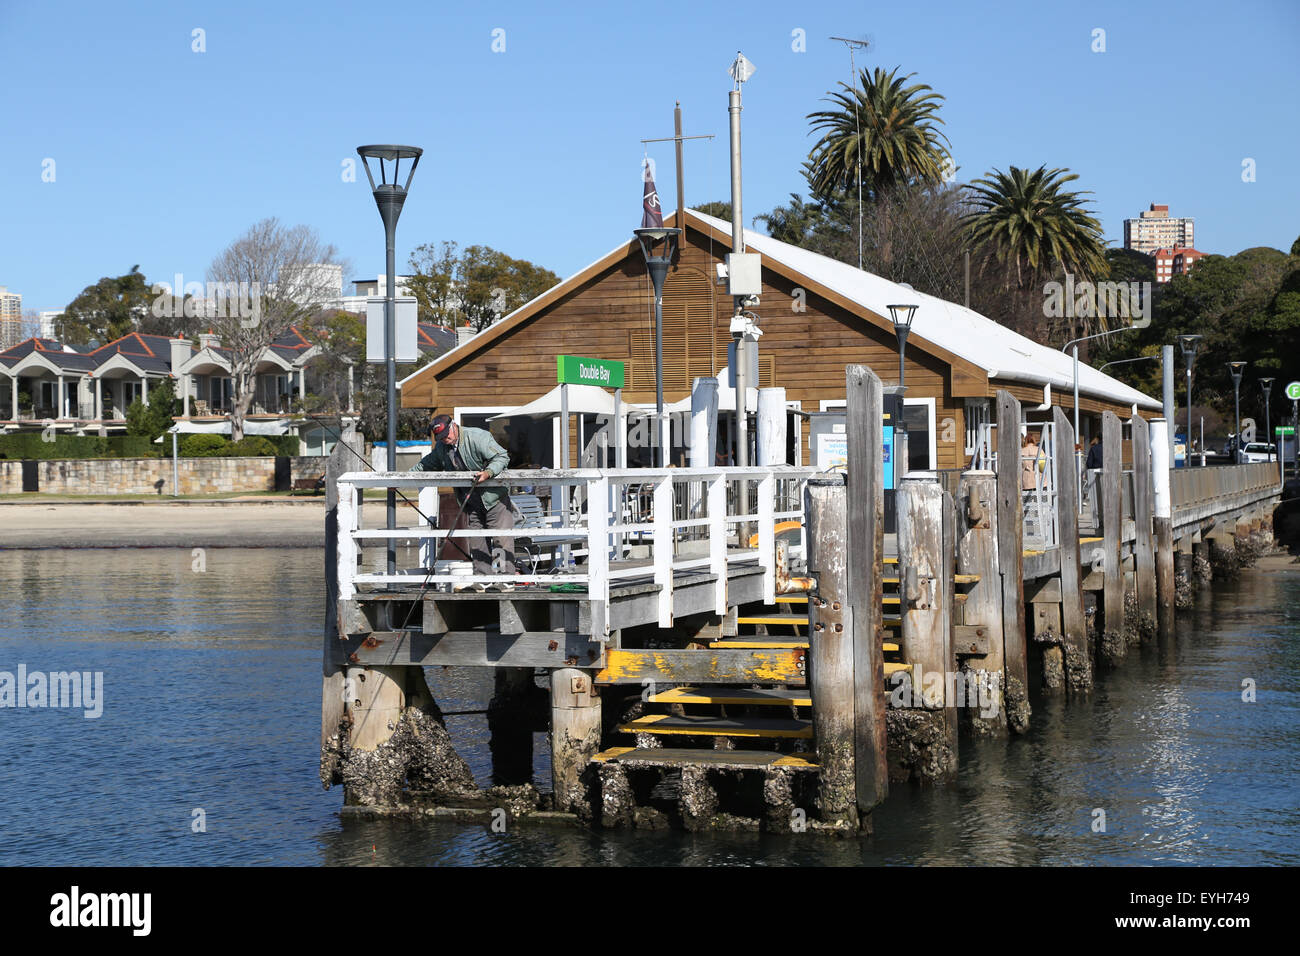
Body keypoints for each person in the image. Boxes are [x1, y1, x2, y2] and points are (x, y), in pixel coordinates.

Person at [411, 414, 515, 591]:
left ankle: (505, 580)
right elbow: (425, 465)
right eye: (441, 437)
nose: (445, 439)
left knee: (501, 539)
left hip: (494, 498)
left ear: (453, 426)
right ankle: (483, 579)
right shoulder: (443, 447)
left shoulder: (477, 437)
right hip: (471, 501)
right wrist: (401, 479)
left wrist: (488, 473)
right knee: (477, 541)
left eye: (446, 435)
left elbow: (502, 457)